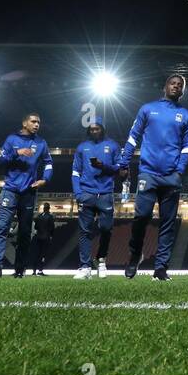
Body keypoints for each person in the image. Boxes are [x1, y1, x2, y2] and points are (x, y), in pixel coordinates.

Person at [116, 74, 188, 281]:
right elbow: (133, 137)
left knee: (168, 223)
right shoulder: (147, 109)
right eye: (172, 83)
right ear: (165, 86)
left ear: (182, 91)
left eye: (180, 85)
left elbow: (187, 147)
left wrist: (179, 171)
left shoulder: (186, 115)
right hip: (148, 173)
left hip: (172, 177)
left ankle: (160, 268)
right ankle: (135, 253)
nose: (176, 87)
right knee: (141, 217)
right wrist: (124, 163)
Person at [0, 112, 53, 279]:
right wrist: (18, 153)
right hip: (10, 190)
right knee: (2, 228)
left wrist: (44, 180)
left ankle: (20, 269)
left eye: (38, 122)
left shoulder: (41, 143)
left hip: (29, 192)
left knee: (25, 232)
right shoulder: (11, 140)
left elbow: (49, 163)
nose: (37, 124)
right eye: (33, 121)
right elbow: (1, 161)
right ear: (25, 123)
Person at [72, 116, 118, 279]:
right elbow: (75, 172)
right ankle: (85, 267)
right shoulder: (82, 147)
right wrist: (78, 193)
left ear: (102, 128)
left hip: (105, 194)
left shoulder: (112, 146)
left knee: (106, 229)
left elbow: (118, 169)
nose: (94, 131)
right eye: (91, 129)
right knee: (85, 231)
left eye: (97, 128)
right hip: (86, 194)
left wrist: (102, 166)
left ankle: (101, 260)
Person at [31, 203, 55, 276]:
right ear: (49, 208)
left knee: (36, 254)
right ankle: (40, 270)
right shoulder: (50, 217)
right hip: (46, 237)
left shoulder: (39, 216)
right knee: (43, 254)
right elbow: (52, 228)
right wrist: (51, 235)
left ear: (43, 208)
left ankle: (34, 271)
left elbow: (36, 227)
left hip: (38, 237)